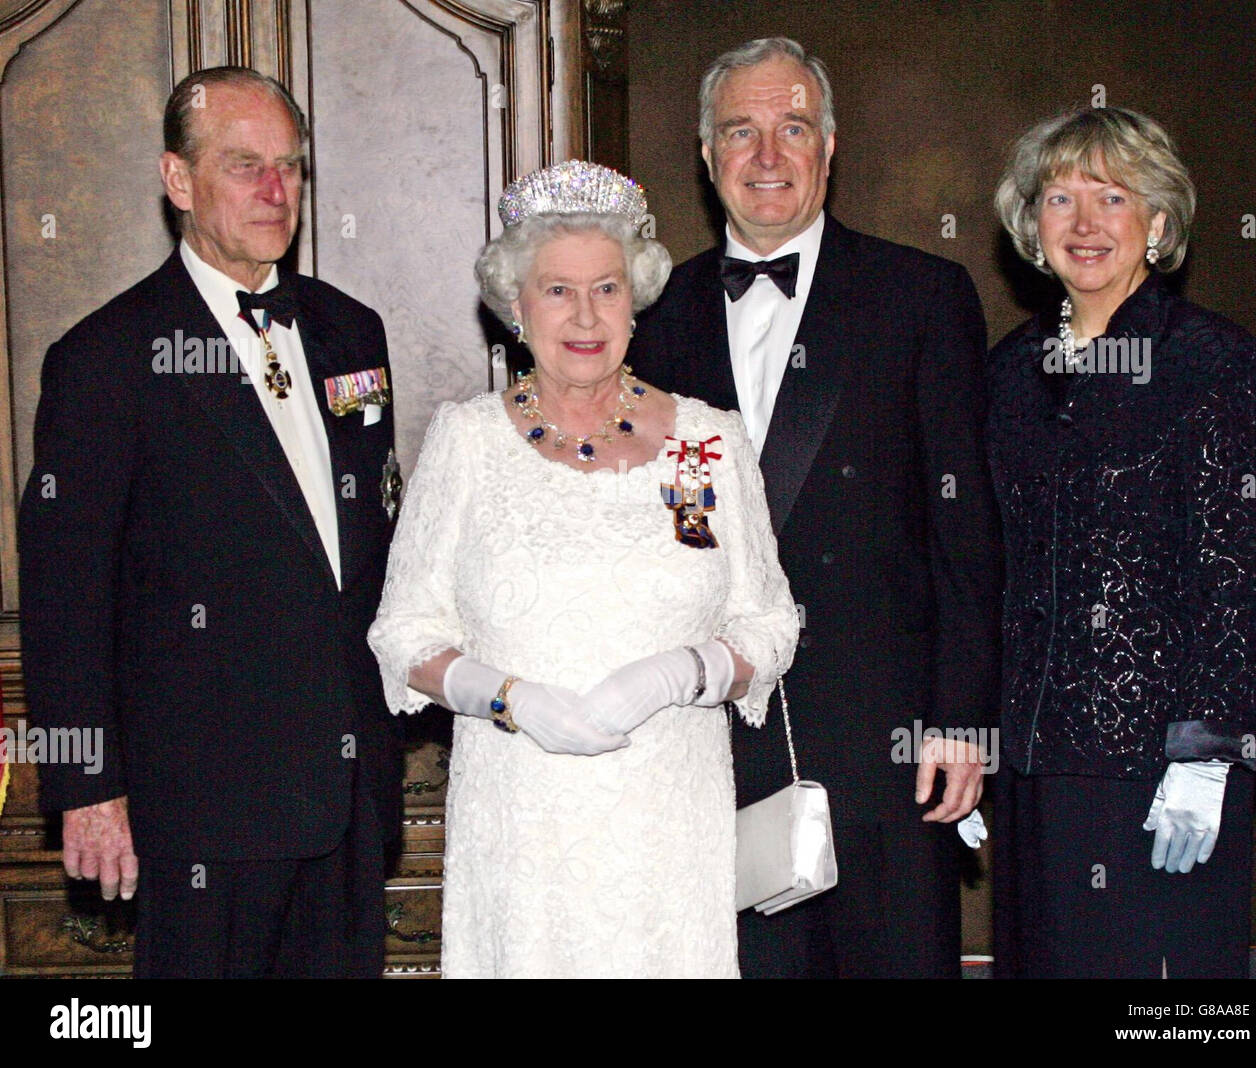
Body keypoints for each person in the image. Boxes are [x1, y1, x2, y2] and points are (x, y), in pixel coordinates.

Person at [367, 160, 799, 979]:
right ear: (516, 306)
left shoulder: (707, 440)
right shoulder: (466, 442)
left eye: (605, 288)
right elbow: (404, 634)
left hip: (668, 824)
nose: (585, 316)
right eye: (557, 290)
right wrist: (510, 699)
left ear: (635, 297)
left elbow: (769, 622)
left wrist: (688, 669)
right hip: (522, 817)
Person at [18, 66, 404, 978]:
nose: (277, 191)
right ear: (179, 181)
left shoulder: (354, 333)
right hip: (200, 809)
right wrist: (87, 790)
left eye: (290, 167)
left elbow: (371, 547)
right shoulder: (104, 359)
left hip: (348, 798)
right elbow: (63, 598)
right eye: (244, 167)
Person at [630, 37, 1003, 978]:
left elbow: (966, 531)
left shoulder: (921, 297)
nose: (767, 157)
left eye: (792, 129)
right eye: (741, 133)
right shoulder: (651, 315)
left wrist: (961, 721)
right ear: (707, 157)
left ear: (830, 148)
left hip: (885, 741)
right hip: (711, 740)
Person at [987, 106, 1256, 979]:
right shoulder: (1010, 369)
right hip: (1037, 764)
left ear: (1156, 224)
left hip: (1157, 770)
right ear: (1031, 227)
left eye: (1112, 197)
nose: (1084, 223)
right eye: (1060, 198)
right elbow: (992, 563)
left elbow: (1238, 565)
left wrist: (1210, 751)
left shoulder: (1208, 358)